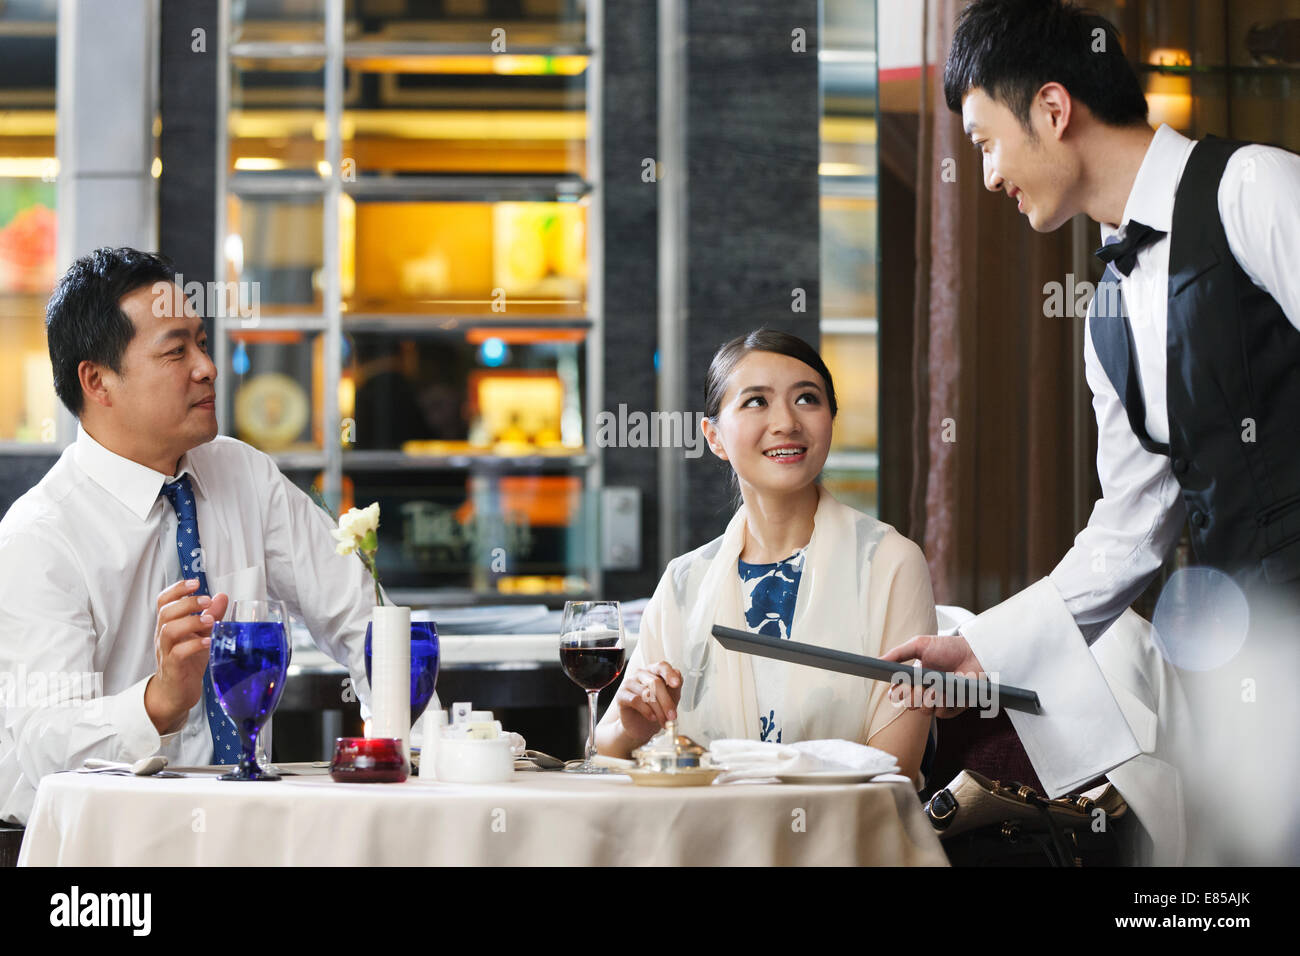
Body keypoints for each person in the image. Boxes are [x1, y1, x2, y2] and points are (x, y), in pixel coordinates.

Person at [882, 0, 1300, 846]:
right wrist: (982, 649)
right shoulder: (1105, 312)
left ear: (1053, 108)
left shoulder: (1255, 185)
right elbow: (1131, 531)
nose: (990, 175)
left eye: (987, 140)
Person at [0, 247, 377, 825]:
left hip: (245, 826)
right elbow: (43, 741)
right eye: (176, 351)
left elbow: (363, 621)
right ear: (97, 380)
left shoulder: (243, 473)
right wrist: (160, 701)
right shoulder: (40, 536)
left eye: (201, 342)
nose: (207, 367)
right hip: (104, 851)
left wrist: (424, 751)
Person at [595, 330, 936, 785]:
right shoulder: (685, 581)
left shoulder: (890, 564)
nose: (786, 423)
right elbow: (610, 742)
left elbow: (894, 765)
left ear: (832, 419)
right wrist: (637, 728)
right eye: (756, 401)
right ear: (713, 436)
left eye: (807, 399)